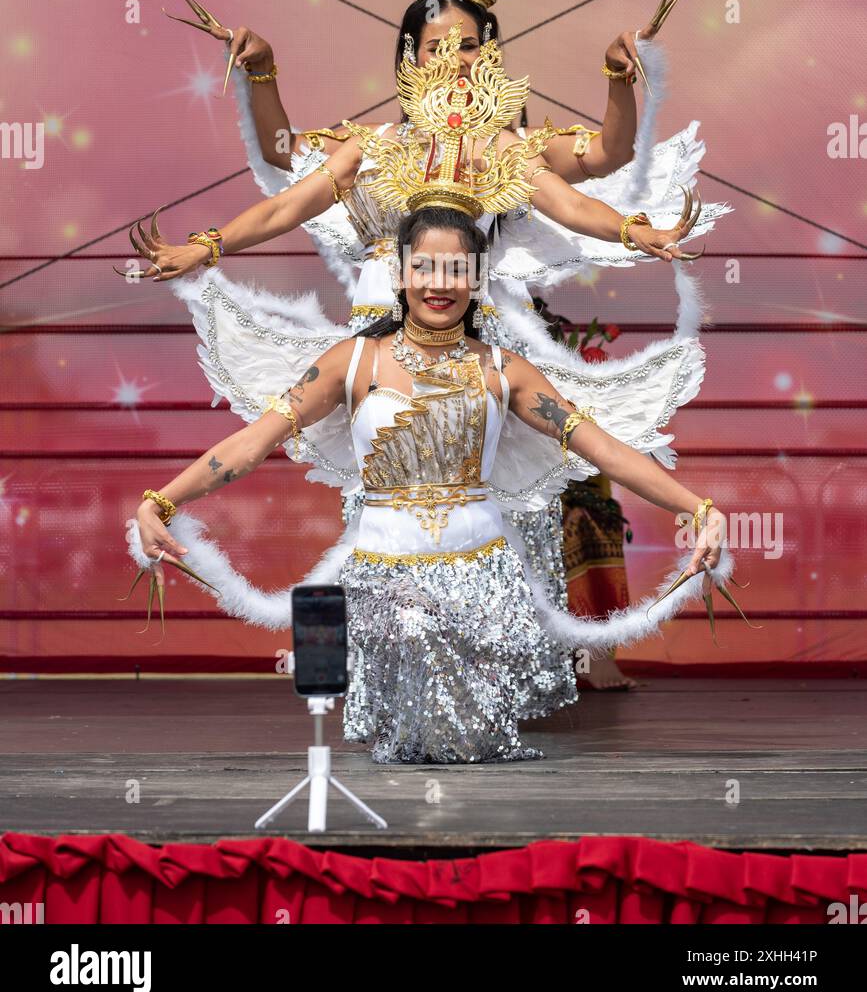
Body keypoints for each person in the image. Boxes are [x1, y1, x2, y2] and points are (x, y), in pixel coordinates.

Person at [123, 0, 729, 720]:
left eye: (468, 46)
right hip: (386, 350)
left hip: (491, 347)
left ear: (490, 54)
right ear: (410, 56)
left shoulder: (506, 149)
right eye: (434, 47)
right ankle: (378, 671)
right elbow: (289, 189)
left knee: (542, 493)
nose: (452, 61)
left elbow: (588, 181)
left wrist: (624, 141)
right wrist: (222, 197)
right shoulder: (370, 151)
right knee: (386, 498)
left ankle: (521, 674)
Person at [126, 204, 737, 766]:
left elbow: (603, 449)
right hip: (386, 585)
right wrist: (162, 500)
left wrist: (698, 507)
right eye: (425, 267)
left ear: (476, 279)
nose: (439, 283)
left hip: (485, 586)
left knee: (467, 751)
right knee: (418, 740)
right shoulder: (352, 362)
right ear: (399, 274)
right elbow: (251, 444)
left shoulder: (504, 371)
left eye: (456, 269)